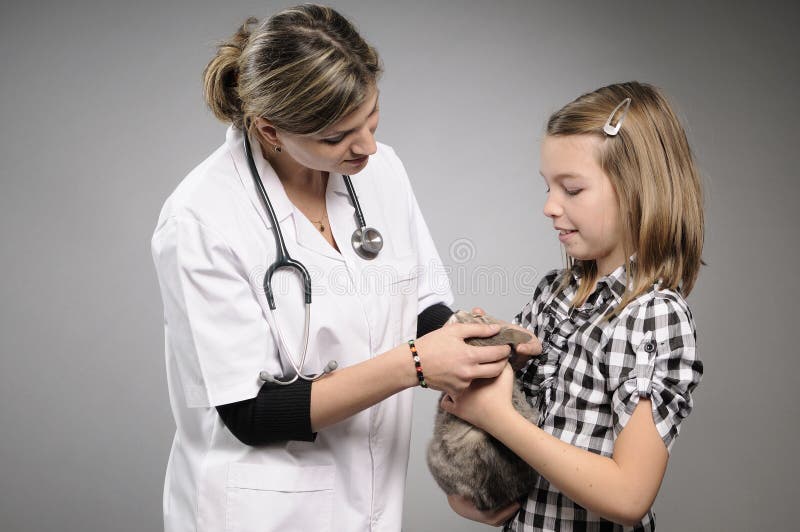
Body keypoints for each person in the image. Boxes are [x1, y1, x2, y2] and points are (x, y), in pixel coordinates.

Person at [150, 5, 539, 532]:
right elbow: (251, 414)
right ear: (270, 130)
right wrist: (417, 365)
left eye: (372, 115)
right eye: (337, 137)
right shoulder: (201, 218)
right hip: (261, 511)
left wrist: (470, 339)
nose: (368, 146)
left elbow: (420, 304)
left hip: (373, 498)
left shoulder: (381, 171)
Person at [441, 81, 704, 530]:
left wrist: (500, 419)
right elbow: (494, 424)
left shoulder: (653, 317)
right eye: (547, 187)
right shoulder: (553, 294)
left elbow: (627, 496)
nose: (548, 206)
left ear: (639, 190)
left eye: (572, 189)